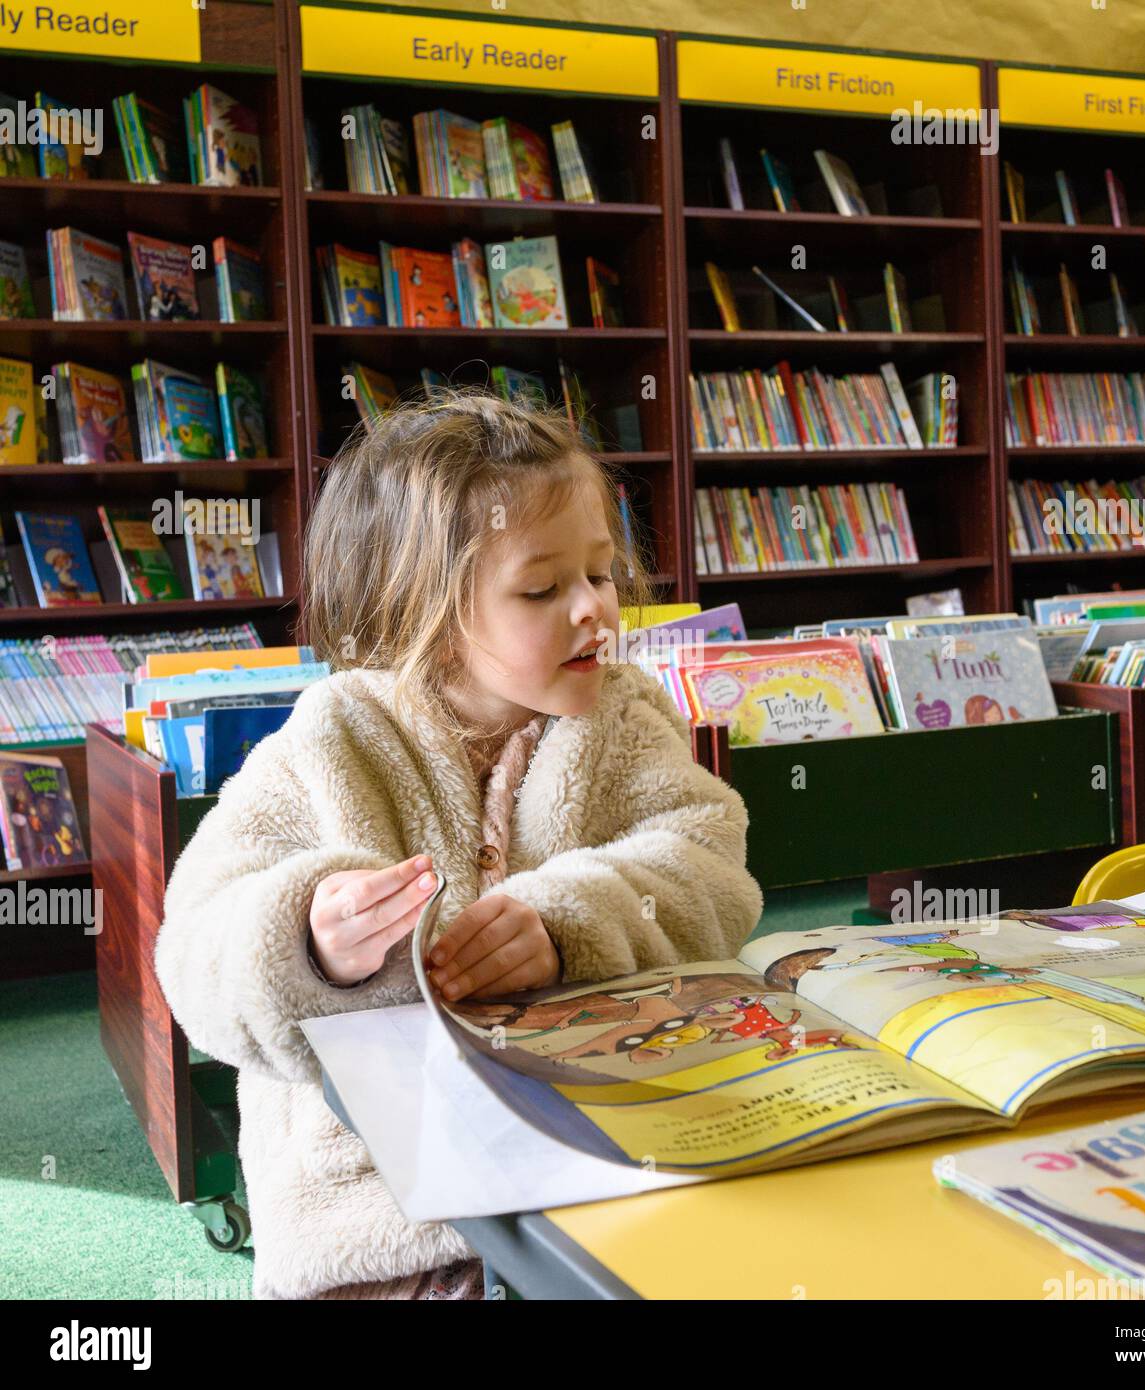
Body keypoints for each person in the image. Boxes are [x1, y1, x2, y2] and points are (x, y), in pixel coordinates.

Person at [153, 388, 764, 1299]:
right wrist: (307, 943)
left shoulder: (627, 718)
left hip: (604, 1146)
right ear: (427, 615)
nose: (595, 609)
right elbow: (194, 945)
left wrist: (572, 919)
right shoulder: (331, 741)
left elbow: (711, 862)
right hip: (383, 1211)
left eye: (601, 572)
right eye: (542, 588)